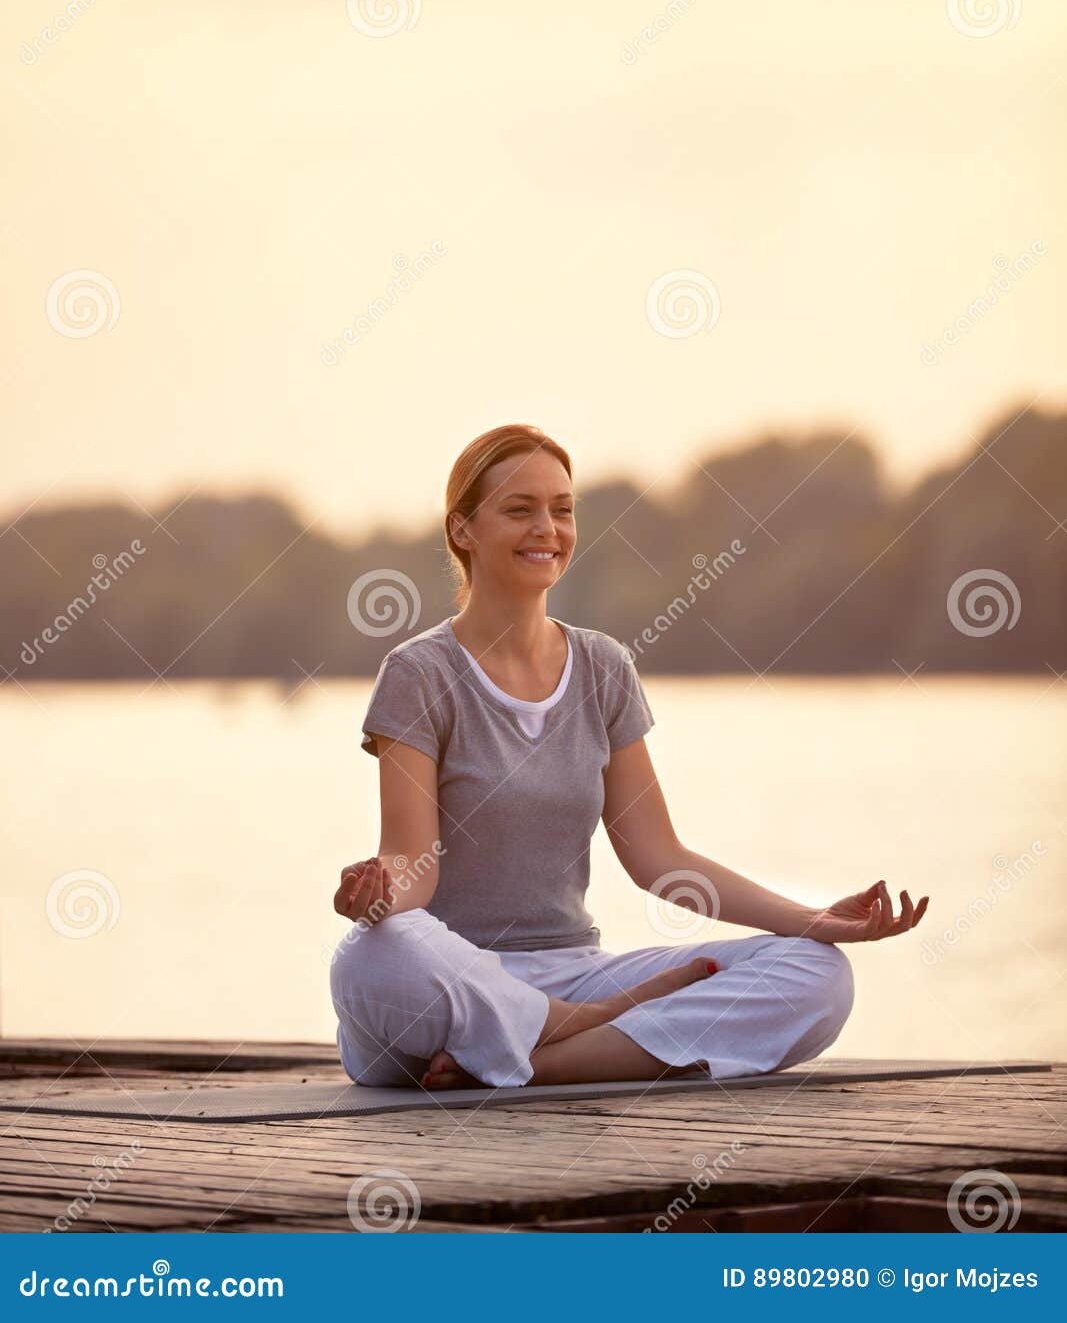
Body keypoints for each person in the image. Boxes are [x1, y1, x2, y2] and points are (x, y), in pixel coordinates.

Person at [329, 423, 929, 1093]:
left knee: (817, 975)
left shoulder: (602, 668)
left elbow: (659, 859)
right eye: (519, 509)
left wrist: (811, 919)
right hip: (448, 977)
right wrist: (378, 893)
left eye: (561, 508)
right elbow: (413, 872)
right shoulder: (418, 672)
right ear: (462, 530)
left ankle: (540, 1061)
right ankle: (568, 1029)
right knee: (369, 956)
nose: (547, 529)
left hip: (574, 972)